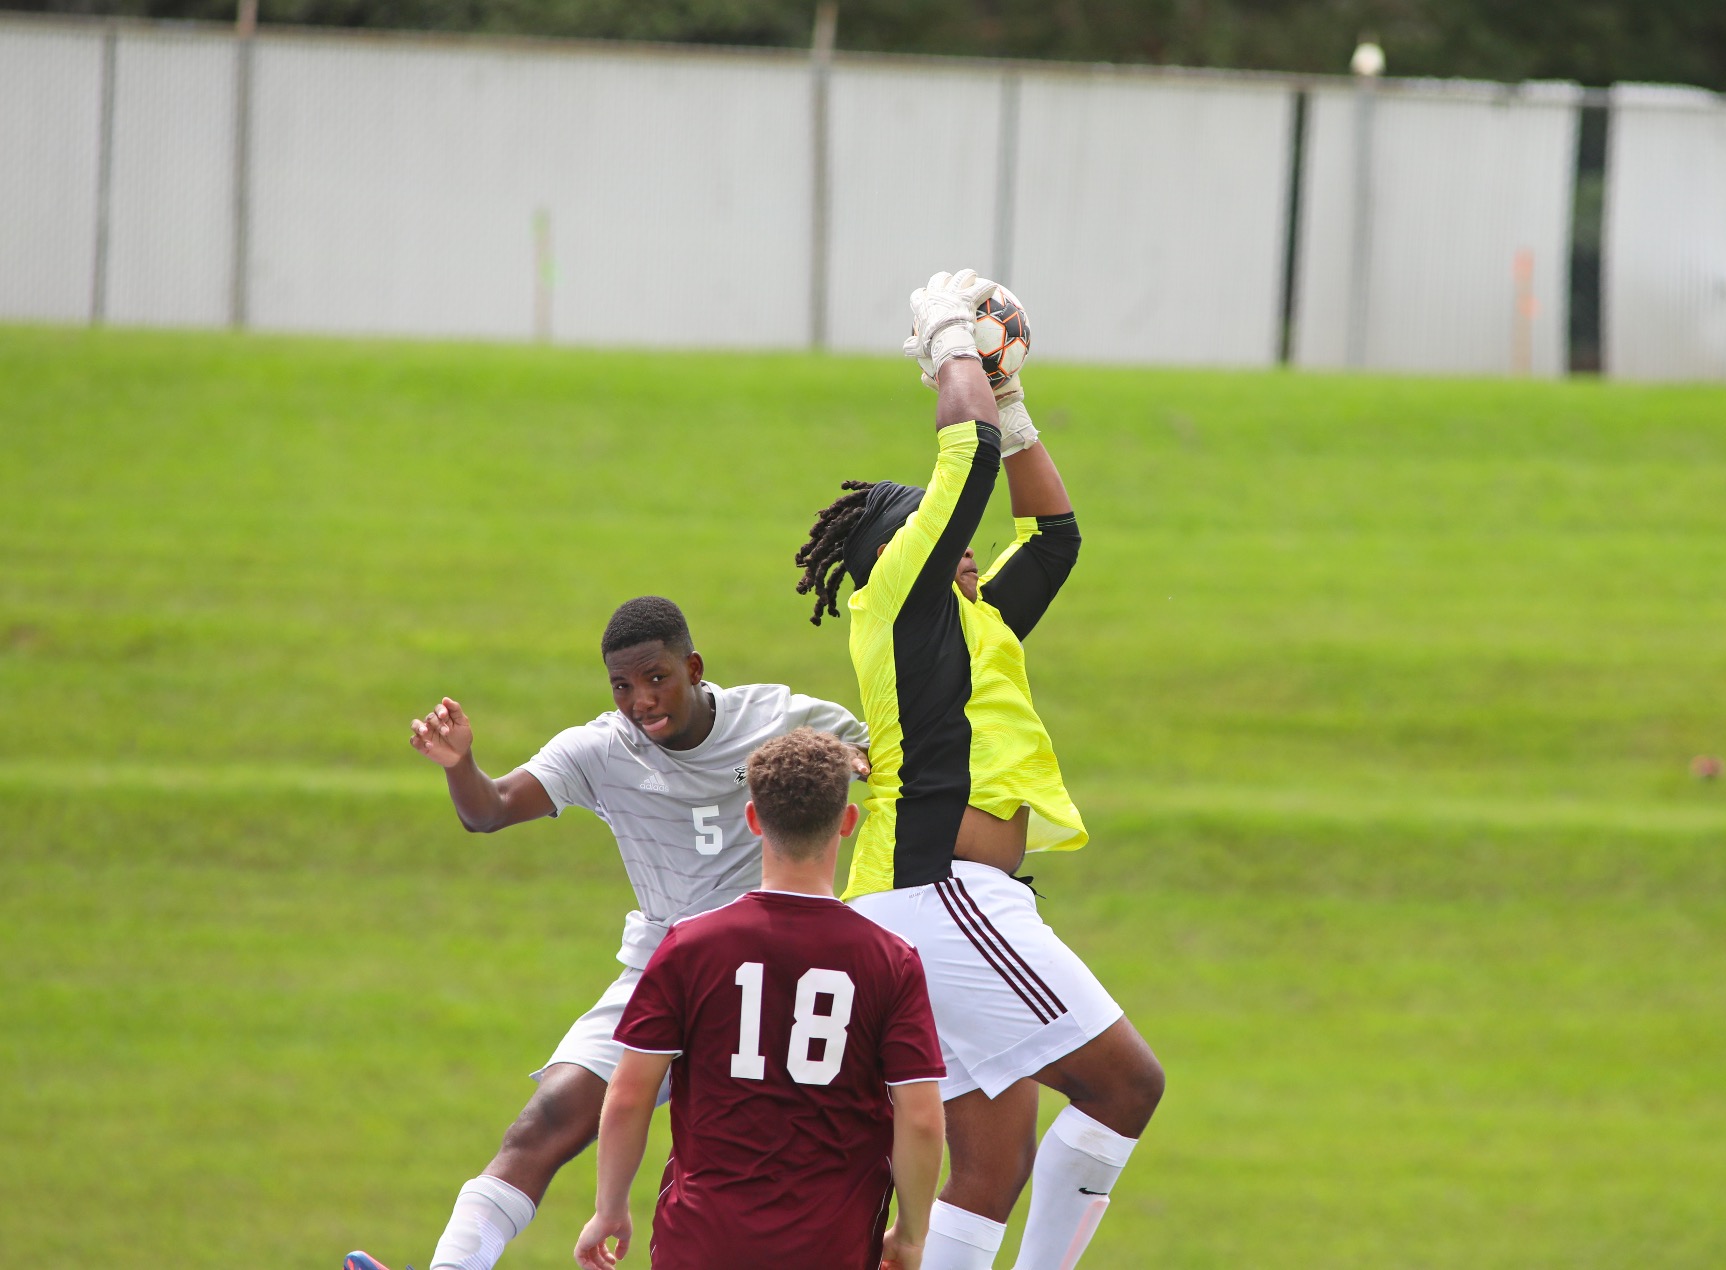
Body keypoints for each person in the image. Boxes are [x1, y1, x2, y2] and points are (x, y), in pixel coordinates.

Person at [792, 270, 1165, 1270]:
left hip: (942, 900)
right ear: (897, 551)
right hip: (938, 895)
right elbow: (965, 460)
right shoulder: (895, 601)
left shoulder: (974, 615)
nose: (966, 546)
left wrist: (1010, 401)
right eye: (944, 534)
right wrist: (951, 341)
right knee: (1127, 1085)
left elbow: (1053, 535)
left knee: (987, 1165)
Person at [345, 597, 867, 1270]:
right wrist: (459, 767)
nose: (641, 701)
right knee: (541, 1124)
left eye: (657, 678)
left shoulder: (781, 717)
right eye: (622, 685)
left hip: (767, 981)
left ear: (694, 667)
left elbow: (888, 761)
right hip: (661, 971)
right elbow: (491, 811)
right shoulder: (600, 749)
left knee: (761, 1178)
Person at [574, 727, 946, 1270]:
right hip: (832, 1247)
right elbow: (920, 1119)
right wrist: (910, 1237)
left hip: (701, 1242)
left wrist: (609, 1209)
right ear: (847, 823)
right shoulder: (891, 959)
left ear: (753, 819)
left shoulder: (689, 946)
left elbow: (629, 1094)